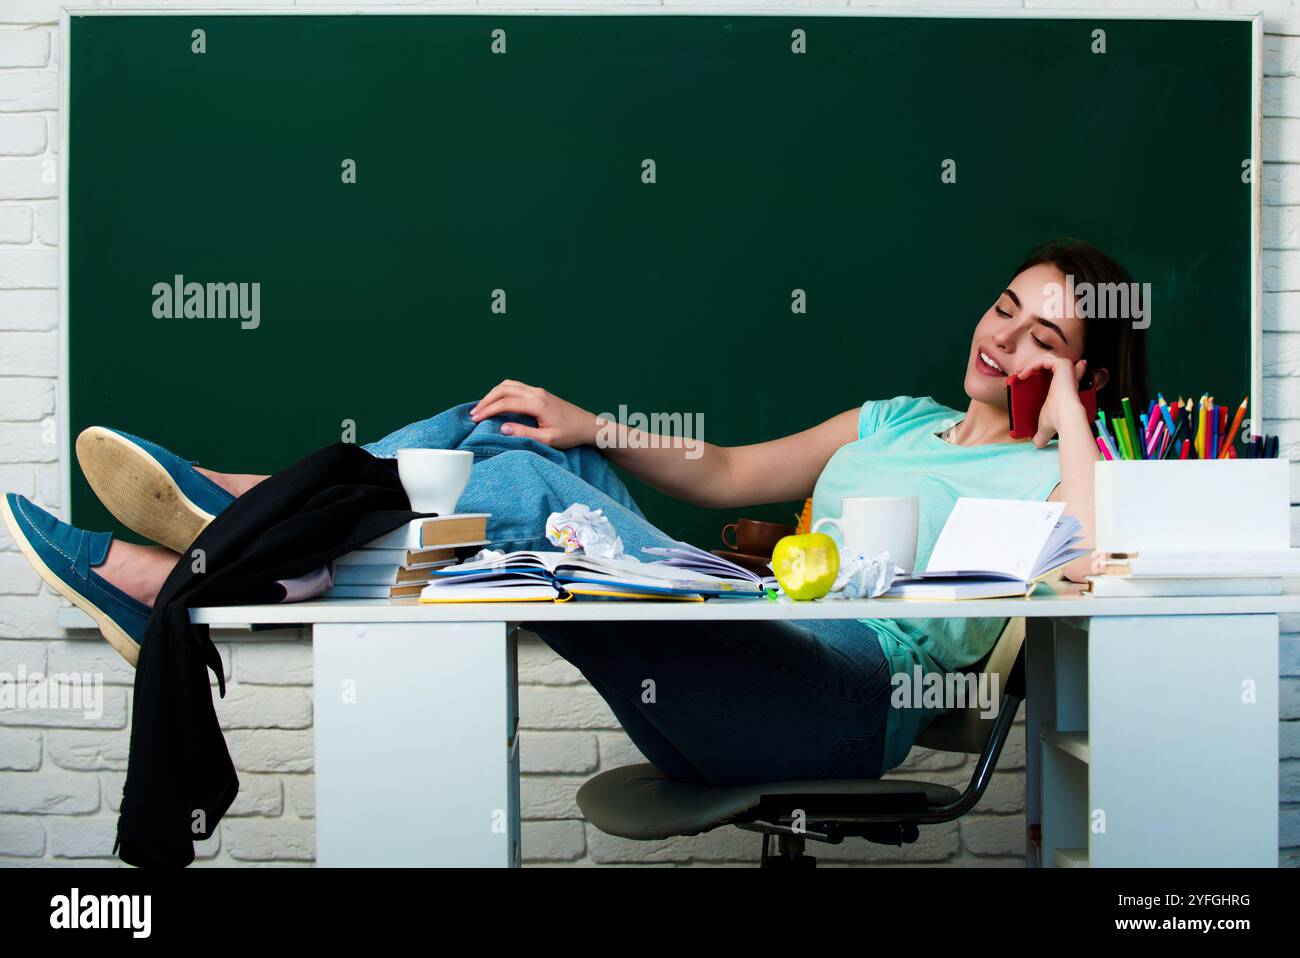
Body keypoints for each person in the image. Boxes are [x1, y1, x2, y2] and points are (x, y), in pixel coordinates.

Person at [1, 238, 1149, 787]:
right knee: (503, 428)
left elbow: (1098, 569)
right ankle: (243, 537)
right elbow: (723, 469)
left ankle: (218, 540)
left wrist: (1067, 430)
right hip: (747, 632)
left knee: (509, 493)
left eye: (1042, 337)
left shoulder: (1064, 473)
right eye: (1004, 307)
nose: (1001, 339)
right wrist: (592, 422)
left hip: (849, 697)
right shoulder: (892, 418)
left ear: (1086, 377)